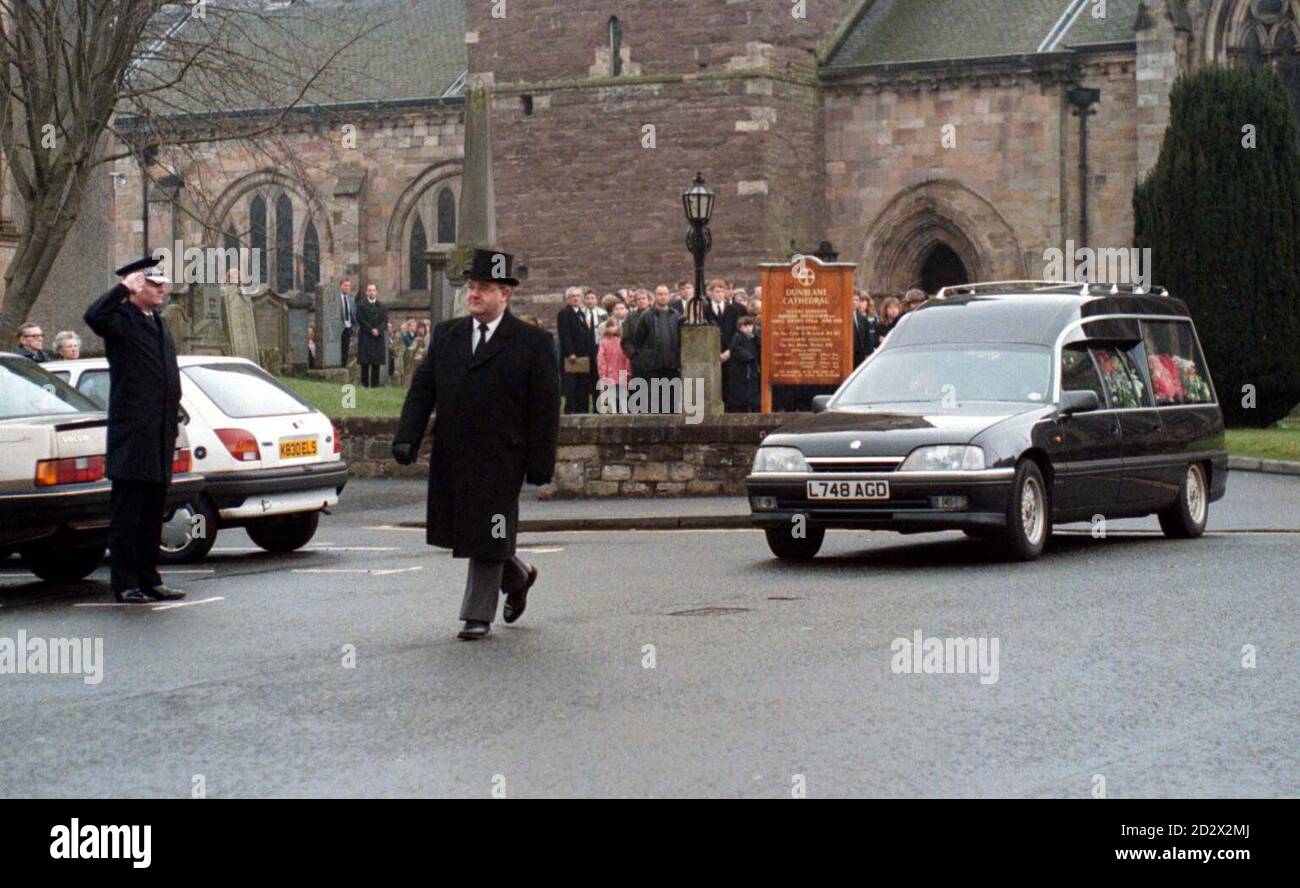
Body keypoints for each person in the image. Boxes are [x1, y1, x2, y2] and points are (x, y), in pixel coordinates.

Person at [391, 248, 560, 641]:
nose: (474, 294)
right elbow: (423, 389)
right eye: (471, 286)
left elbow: (546, 408)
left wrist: (541, 462)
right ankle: (517, 576)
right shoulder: (448, 335)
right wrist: (406, 437)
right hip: (454, 452)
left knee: (490, 529)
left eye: (483, 288)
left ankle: (476, 614)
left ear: (505, 294)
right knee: (470, 529)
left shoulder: (532, 342)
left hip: (504, 455)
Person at [83, 258, 186, 604]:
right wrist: (121, 288)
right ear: (137, 287)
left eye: (163, 284)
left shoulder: (156, 321)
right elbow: (93, 317)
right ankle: (125, 582)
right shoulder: (120, 319)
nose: (162, 289)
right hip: (133, 434)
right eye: (155, 284)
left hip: (159, 432)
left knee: (152, 514)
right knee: (128, 515)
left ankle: (149, 576)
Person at [631, 284, 683, 413]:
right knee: (655, 398)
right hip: (653, 364)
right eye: (660, 294)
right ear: (655, 296)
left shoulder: (676, 315)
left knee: (672, 397)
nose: (663, 297)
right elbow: (638, 339)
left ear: (669, 296)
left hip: (672, 363)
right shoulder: (647, 315)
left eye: (665, 294)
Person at [556, 286, 595, 413]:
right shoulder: (564, 313)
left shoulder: (583, 313)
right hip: (572, 356)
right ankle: (571, 411)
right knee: (571, 386)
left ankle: (582, 411)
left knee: (583, 386)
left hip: (584, 355)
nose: (575, 299)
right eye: (572, 296)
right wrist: (570, 352)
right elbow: (564, 335)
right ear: (567, 299)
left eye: (578, 296)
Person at [726, 314, 761, 413]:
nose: (748, 328)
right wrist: (749, 357)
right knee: (741, 394)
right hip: (741, 370)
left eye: (750, 326)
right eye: (745, 326)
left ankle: (752, 406)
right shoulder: (738, 337)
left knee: (752, 392)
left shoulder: (754, 337)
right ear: (740, 327)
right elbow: (736, 349)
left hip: (752, 370)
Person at [355, 283, 388, 387]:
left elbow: (384, 320)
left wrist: (378, 330)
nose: (371, 292)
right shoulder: (361, 305)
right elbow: (361, 319)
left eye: (373, 290)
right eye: (369, 290)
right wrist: (371, 330)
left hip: (378, 336)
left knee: (376, 362)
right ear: (366, 292)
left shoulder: (382, 306)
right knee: (365, 362)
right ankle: (364, 384)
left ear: (376, 292)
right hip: (366, 336)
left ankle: (375, 384)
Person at [597, 318, 631, 413]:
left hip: (622, 374)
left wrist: (627, 372)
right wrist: (603, 374)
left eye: (614, 326)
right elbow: (601, 359)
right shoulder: (603, 342)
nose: (611, 328)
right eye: (609, 326)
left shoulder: (622, 341)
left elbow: (627, 358)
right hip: (609, 374)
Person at [853, 292, 881, 367]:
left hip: (868, 352)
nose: (855, 302)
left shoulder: (873, 318)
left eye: (857, 300)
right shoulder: (855, 316)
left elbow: (870, 338)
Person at [337, 277, 357, 366]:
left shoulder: (351, 299)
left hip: (348, 327)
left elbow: (354, 315)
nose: (347, 288)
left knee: (346, 348)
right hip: (339, 327)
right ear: (340, 286)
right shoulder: (336, 298)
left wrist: (355, 327)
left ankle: (343, 366)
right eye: (345, 285)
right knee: (338, 349)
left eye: (349, 286)